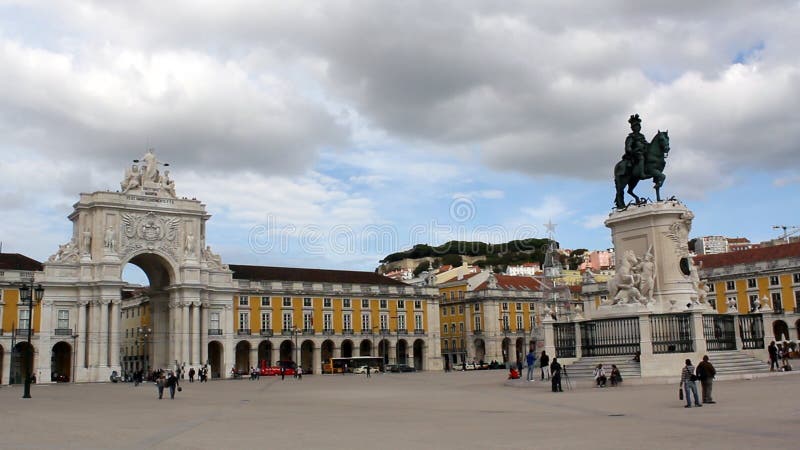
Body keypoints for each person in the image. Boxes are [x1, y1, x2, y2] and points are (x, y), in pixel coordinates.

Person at [623, 113, 648, 179]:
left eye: (639, 126)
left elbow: (646, 143)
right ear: (633, 128)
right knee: (641, 157)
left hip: (643, 151)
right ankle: (641, 174)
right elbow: (628, 146)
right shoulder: (631, 137)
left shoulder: (642, 136)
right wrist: (632, 150)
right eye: (636, 126)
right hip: (635, 153)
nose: (638, 127)